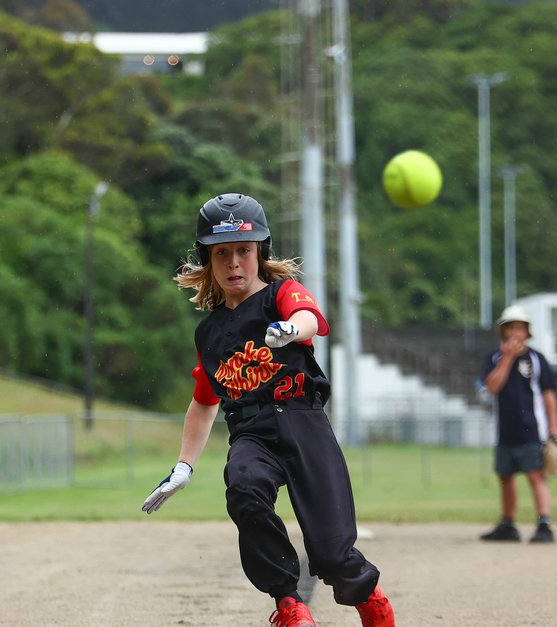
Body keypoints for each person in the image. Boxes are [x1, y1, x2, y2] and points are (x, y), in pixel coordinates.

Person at [141, 194, 395, 627]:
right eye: (221, 253)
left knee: (334, 555)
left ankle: (369, 598)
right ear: (208, 259)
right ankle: (288, 604)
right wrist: (183, 466)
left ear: (261, 251)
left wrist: (291, 328)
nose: (234, 262)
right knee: (243, 489)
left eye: (244, 249)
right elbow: (204, 401)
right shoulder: (210, 332)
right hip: (251, 433)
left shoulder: (281, 296)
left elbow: (310, 317)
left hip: (302, 421)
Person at [478, 304, 557, 543]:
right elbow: (492, 387)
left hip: (532, 429)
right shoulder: (494, 357)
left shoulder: (536, 359)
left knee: (535, 475)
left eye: (520, 328)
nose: (515, 332)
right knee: (505, 477)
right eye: (511, 328)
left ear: (527, 332)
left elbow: (548, 395)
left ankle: (544, 523)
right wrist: (507, 358)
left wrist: (554, 428)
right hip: (504, 431)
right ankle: (508, 524)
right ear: (503, 331)